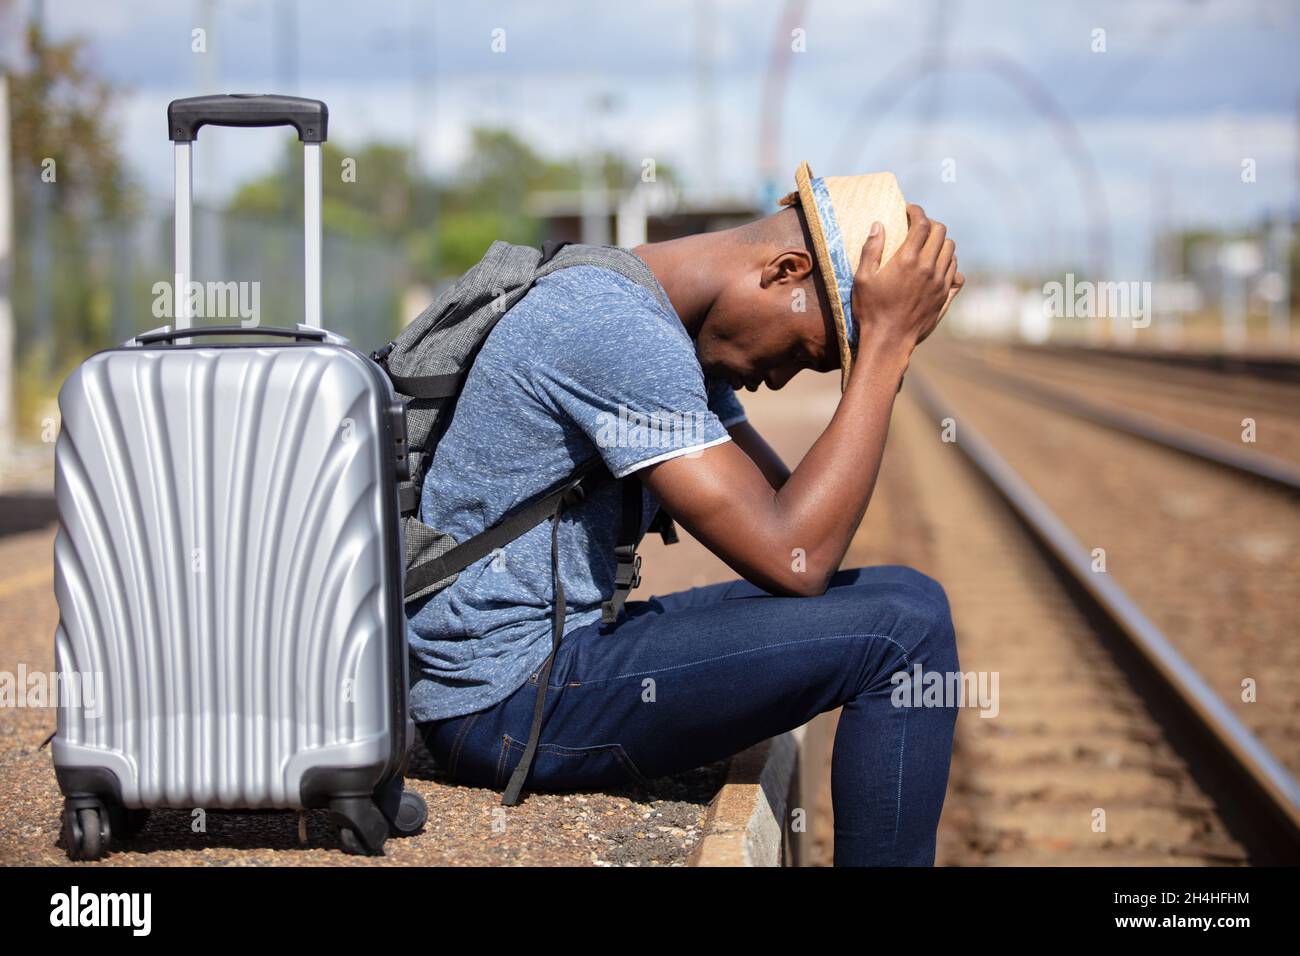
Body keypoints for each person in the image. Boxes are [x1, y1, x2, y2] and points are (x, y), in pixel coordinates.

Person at [408, 162, 965, 866]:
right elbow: (797, 557)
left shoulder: (656, 319)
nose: (782, 378)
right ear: (785, 271)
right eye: (806, 352)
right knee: (902, 636)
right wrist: (881, 348)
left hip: (561, 653)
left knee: (910, 595)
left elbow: (794, 518)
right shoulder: (613, 327)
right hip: (504, 703)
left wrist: (891, 342)